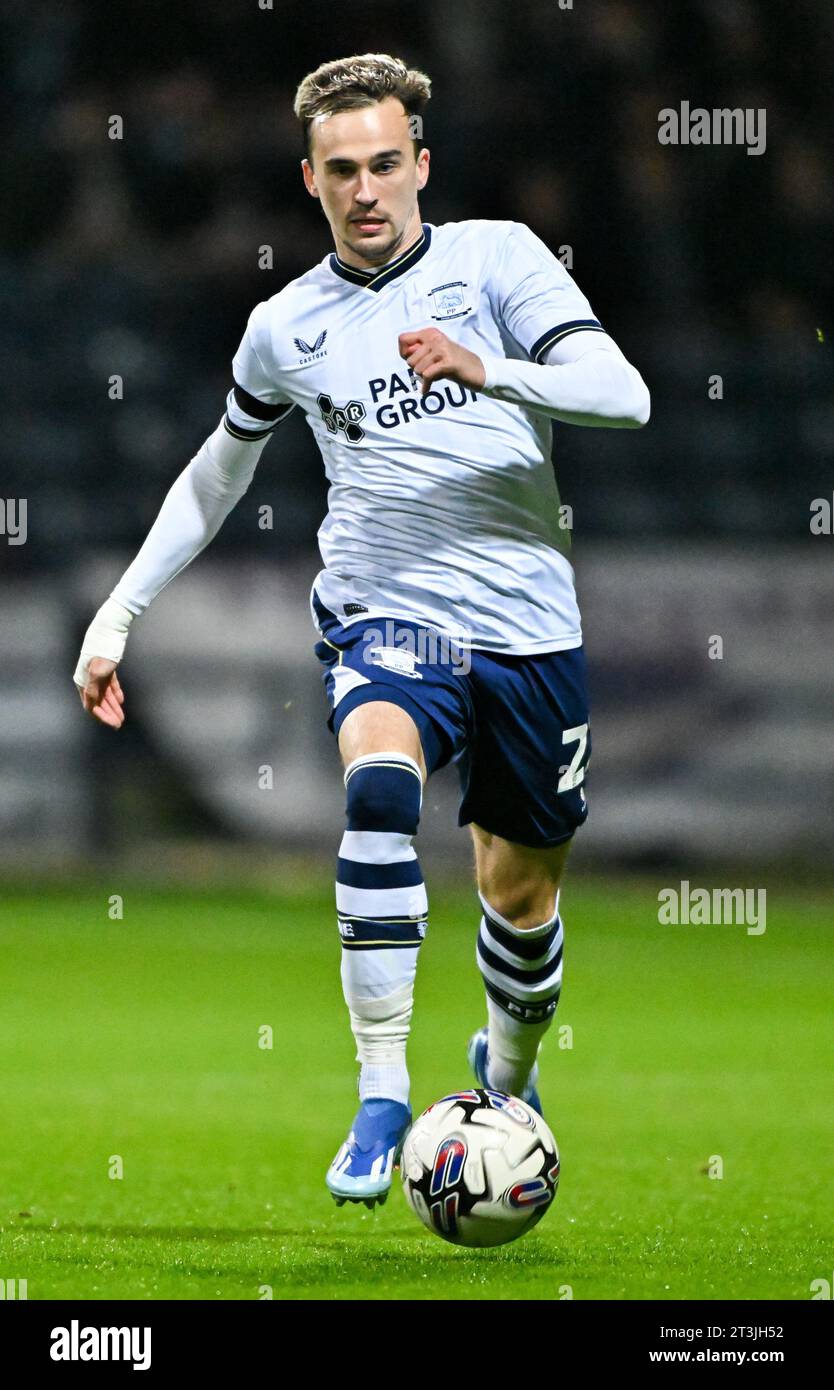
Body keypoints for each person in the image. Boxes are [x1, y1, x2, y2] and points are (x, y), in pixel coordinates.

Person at [74, 52, 650, 1209]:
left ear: (421, 164)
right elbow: (213, 479)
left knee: (522, 899)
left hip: (530, 631)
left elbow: (622, 392)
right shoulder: (287, 326)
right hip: (388, 616)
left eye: (387, 163)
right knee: (378, 782)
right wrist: (120, 611)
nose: (368, 189)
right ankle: (382, 1086)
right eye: (343, 171)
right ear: (311, 181)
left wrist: (489, 371)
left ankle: (509, 1070)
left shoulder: (500, 258)